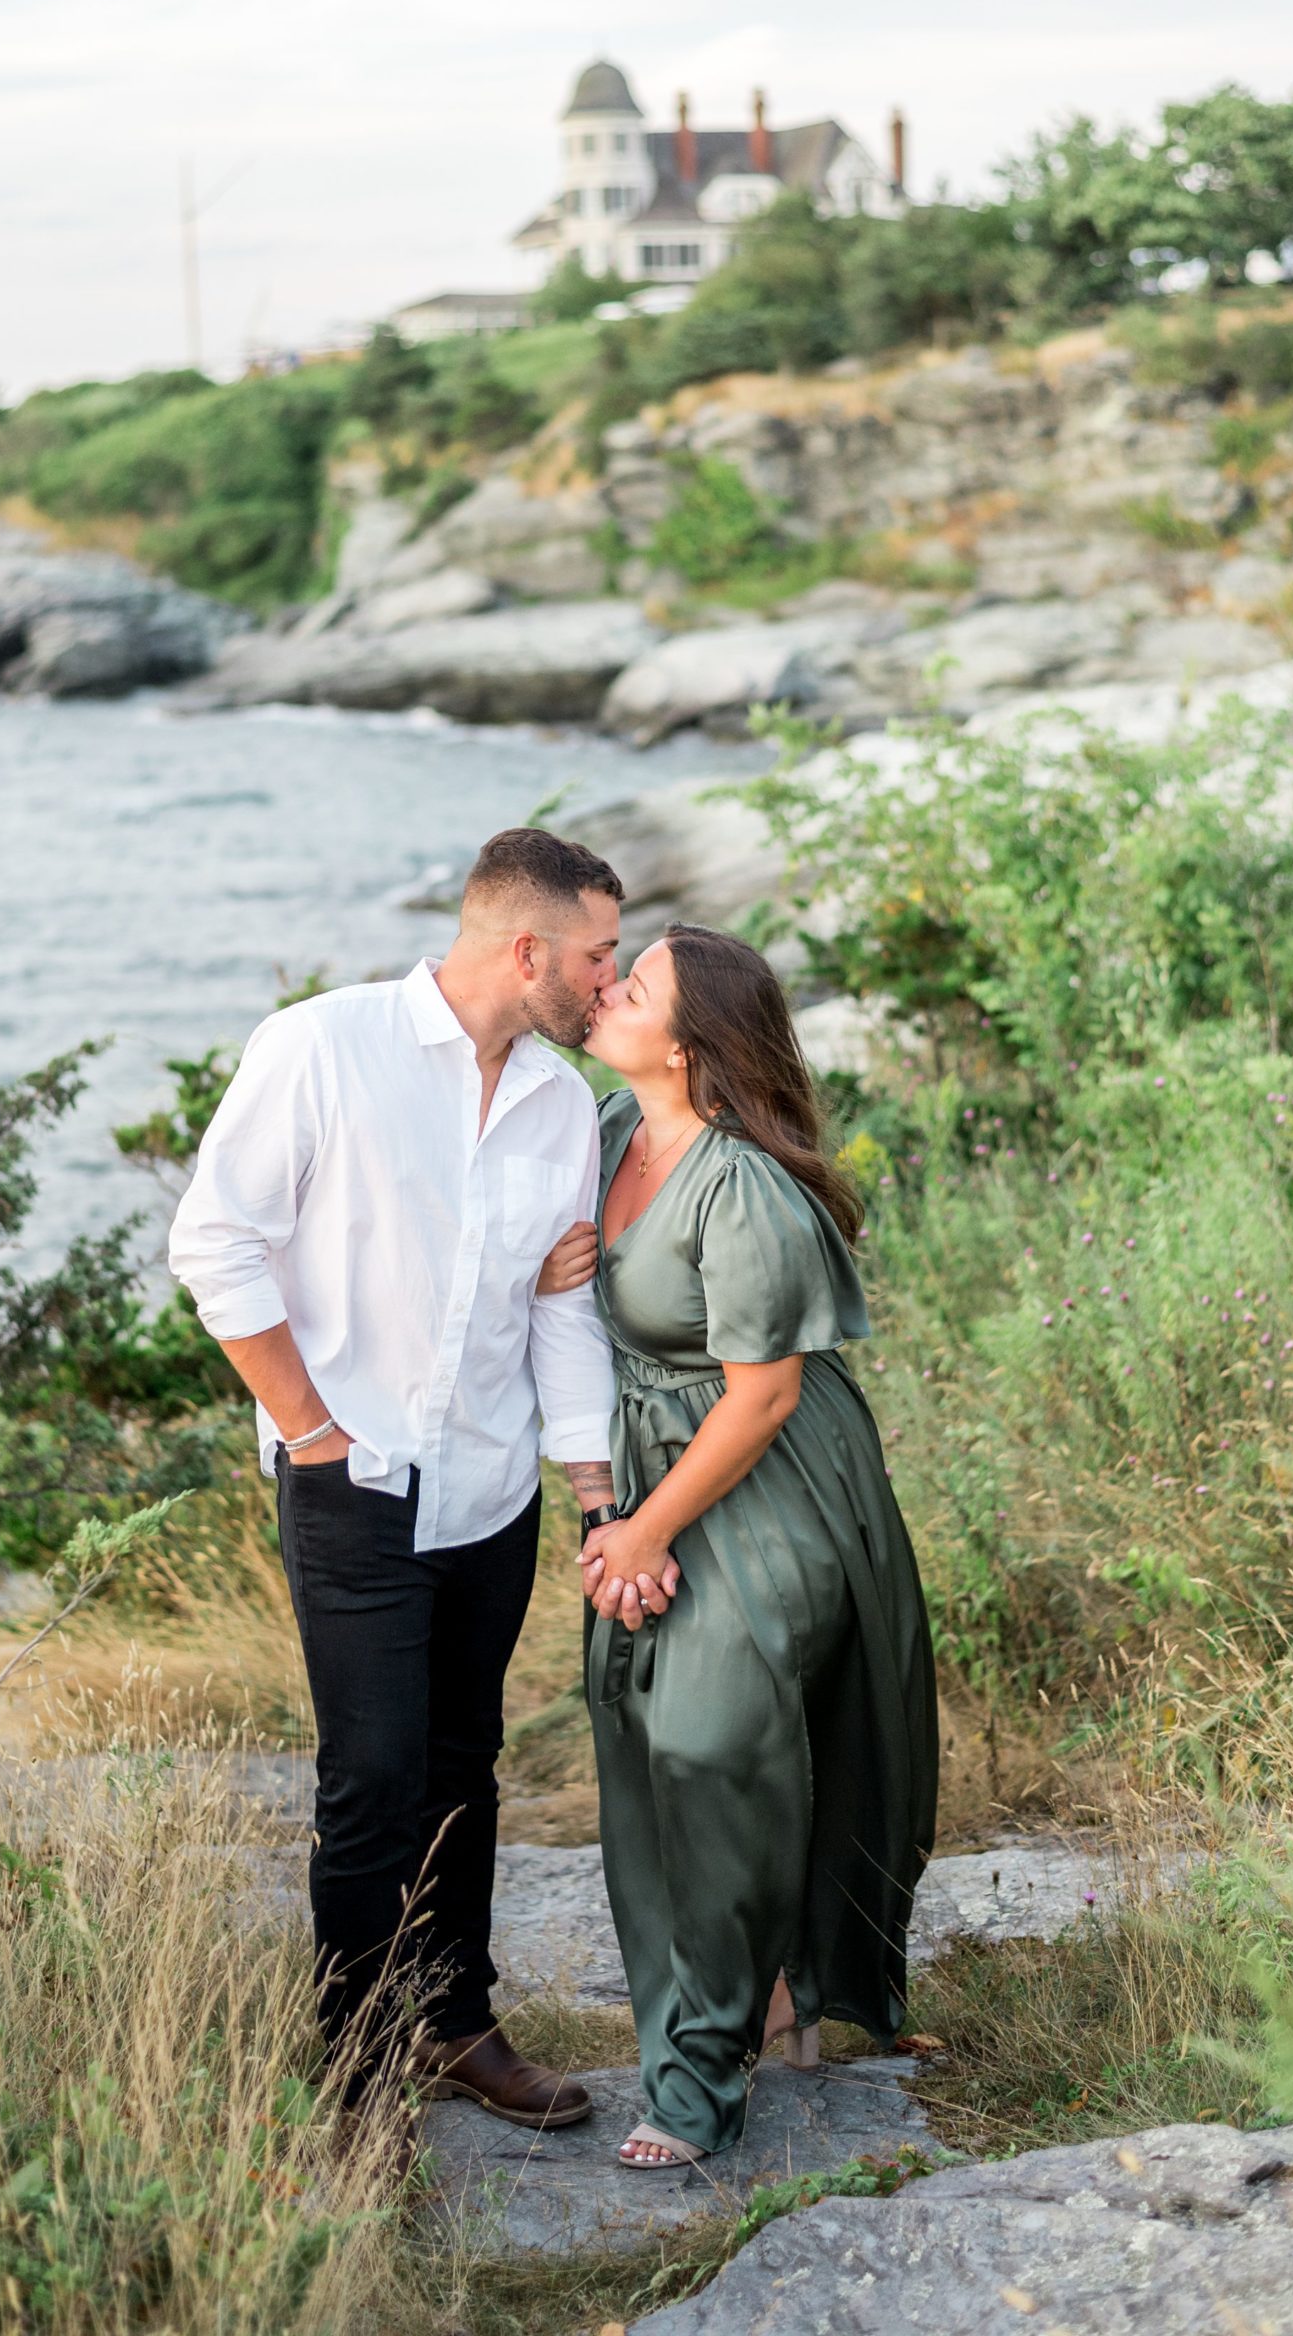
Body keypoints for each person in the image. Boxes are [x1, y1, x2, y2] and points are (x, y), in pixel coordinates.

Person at [168, 828, 648, 2129]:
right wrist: (312, 1432)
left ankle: (452, 2024)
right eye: (600, 954)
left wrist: (596, 1493)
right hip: (355, 1481)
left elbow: (559, 1316)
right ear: (526, 947)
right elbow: (214, 1243)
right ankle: (355, 2063)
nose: (612, 980)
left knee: (460, 1764)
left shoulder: (565, 1104)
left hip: (494, 1493)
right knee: (368, 1778)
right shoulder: (321, 1046)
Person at [537, 922, 938, 2170]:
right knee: (636, 1727)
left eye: (632, 983)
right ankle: (764, 1995)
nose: (603, 991)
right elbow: (568, 1307)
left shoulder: (744, 1184)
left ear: (690, 1045)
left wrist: (648, 1528)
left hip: (765, 1474)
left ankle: (703, 2074)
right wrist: (609, 1515)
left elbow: (760, 1396)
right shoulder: (608, 1133)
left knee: (708, 1738)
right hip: (651, 1468)